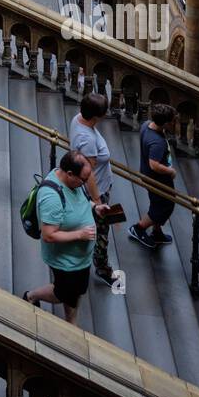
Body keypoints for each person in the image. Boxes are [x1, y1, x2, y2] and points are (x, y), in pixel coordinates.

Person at [22, 150, 97, 325]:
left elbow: (80, 200)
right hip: (66, 262)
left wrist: (94, 207)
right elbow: (48, 235)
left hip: (79, 258)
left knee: (73, 291)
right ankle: (31, 296)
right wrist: (81, 234)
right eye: (83, 180)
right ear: (69, 174)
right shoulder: (51, 198)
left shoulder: (70, 181)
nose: (85, 184)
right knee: (63, 293)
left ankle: (70, 320)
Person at [70, 93, 115, 285]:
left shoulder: (78, 119)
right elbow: (89, 174)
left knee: (94, 225)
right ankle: (102, 267)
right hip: (97, 192)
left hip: (100, 187)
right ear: (96, 116)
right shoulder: (87, 139)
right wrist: (97, 202)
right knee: (102, 230)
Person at [129, 103, 177, 249]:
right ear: (166, 123)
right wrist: (171, 171)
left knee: (157, 202)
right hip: (156, 178)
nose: (175, 123)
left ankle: (156, 231)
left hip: (148, 175)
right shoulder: (158, 142)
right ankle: (138, 228)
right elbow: (154, 165)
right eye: (172, 121)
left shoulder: (147, 125)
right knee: (166, 205)